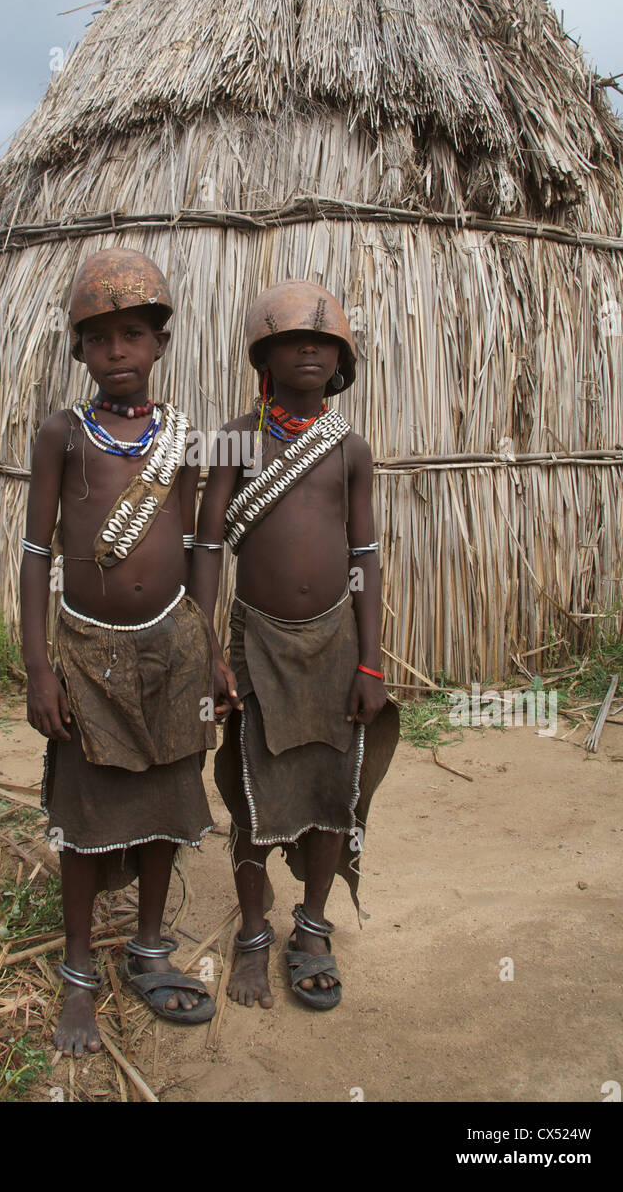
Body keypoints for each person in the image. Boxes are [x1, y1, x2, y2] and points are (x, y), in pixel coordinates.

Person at [21, 247, 217, 1057]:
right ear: (79, 352)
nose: (118, 352)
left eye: (133, 334)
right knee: (88, 811)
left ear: (160, 343)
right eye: (100, 340)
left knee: (168, 802)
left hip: (173, 647)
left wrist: (204, 636)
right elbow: (37, 553)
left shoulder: (183, 437)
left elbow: (203, 540)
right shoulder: (61, 435)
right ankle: (77, 974)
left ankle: (147, 949)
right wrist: (38, 665)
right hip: (86, 654)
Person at [190, 279, 400, 1012]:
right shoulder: (232, 438)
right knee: (252, 790)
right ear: (264, 355)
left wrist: (371, 660)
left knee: (332, 787)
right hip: (256, 642)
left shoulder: (351, 450)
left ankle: (311, 926)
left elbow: (365, 555)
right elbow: (208, 545)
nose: (308, 349)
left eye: (323, 341)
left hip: (339, 641)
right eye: (290, 339)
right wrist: (209, 646)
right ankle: (254, 930)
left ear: (341, 359)